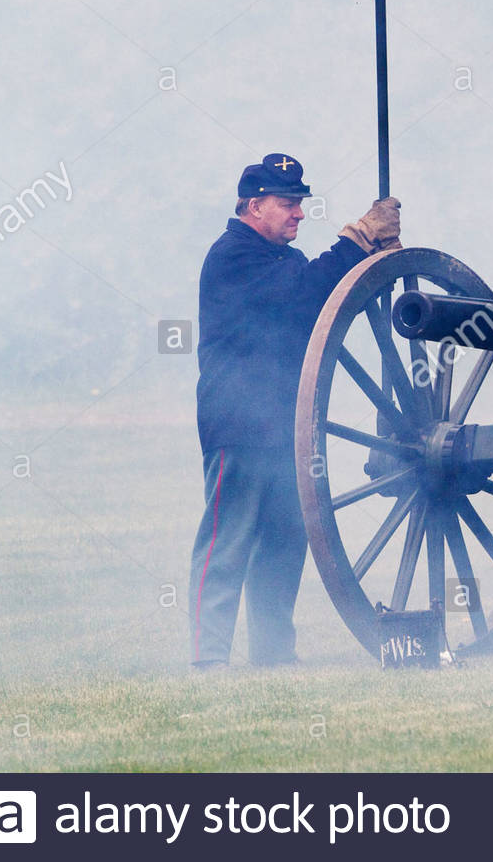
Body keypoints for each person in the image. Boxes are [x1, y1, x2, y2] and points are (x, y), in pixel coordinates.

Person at [190, 152, 402, 668]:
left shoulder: (284, 259)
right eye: (288, 204)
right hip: (239, 421)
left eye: (300, 204)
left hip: (288, 423)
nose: (299, 214)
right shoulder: (233, 255)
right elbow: (303, 298)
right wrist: (355, 240)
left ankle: (274, 654)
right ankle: (208, 659)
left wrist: (377, 265)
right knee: (227, 542)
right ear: (254, 205)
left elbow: (322, 301)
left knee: (285, 546)